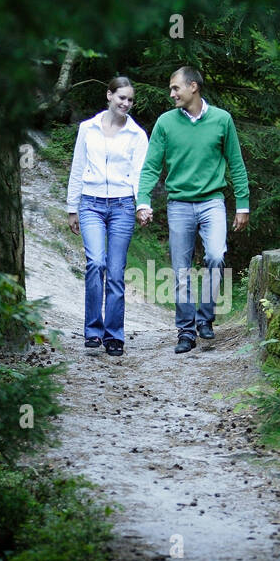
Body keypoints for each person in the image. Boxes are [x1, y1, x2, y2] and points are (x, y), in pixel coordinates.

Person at [136, 65, 249, 353]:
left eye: (176, 87)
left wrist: (243, 204)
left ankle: (205, 319)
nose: (171, 93)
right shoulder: (165, 123)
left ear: (193, 87)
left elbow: (236, 163)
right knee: (181, 270)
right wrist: (144, 200)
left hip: (212, 201)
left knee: (215, 255)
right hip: (179, 204)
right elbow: (151, 166)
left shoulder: (222, 120)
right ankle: (185, 331)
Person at [66, 76, 148, 357]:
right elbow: (78, 167)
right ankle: (92, 332)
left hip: (123, 207)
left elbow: (140, 175)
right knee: (95, 263)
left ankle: (114, 335)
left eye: (130, 100)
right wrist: (71, 207)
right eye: (121, 97)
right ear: (109, 96)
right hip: (90, 204)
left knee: (115, 272)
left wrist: (142, 204)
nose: (126, 103)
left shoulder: (137, 135)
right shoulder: (87, 129)